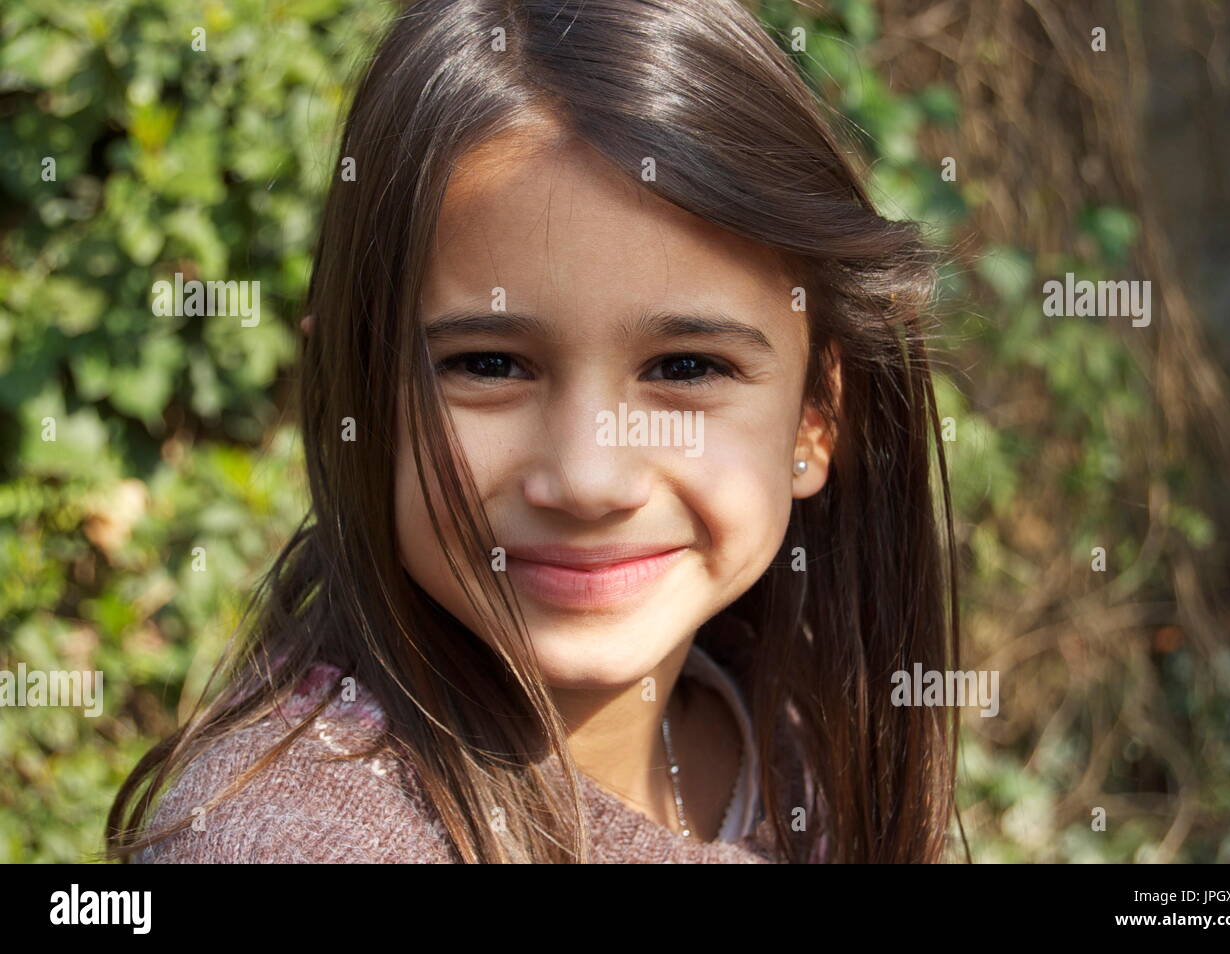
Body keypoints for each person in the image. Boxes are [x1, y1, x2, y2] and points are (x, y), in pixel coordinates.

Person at [106, 0, 961, 864]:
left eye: (686, 368)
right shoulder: (301, 844)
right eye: (489, 365)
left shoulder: (788, 739)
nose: (589, 478)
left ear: (816, 416)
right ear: (353, 392)